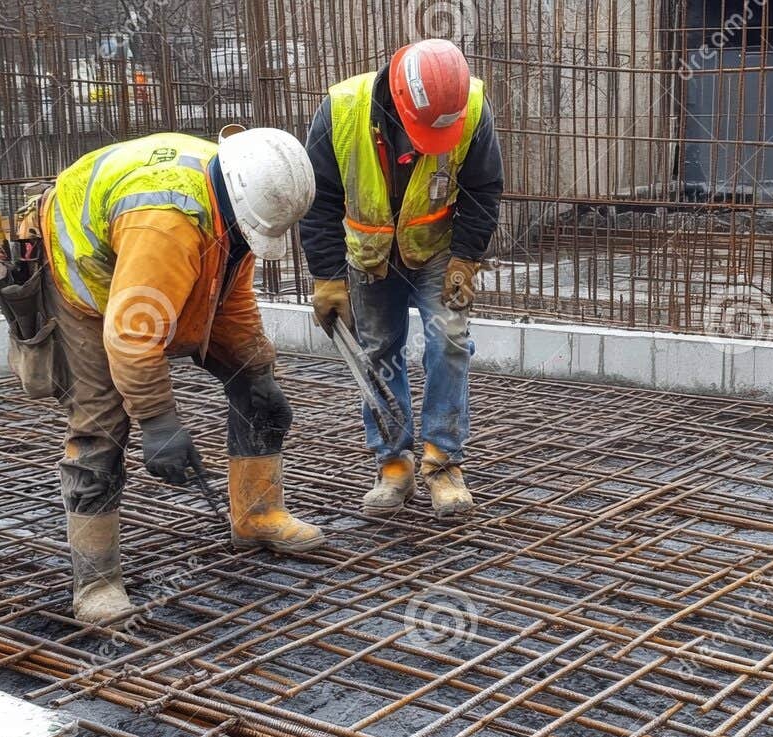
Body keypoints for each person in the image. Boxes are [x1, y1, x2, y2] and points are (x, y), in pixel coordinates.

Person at [37, 125, 325, 623]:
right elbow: (132, 335)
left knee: (257, 388)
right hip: (87, 284)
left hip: (148, 269)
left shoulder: (235, 198)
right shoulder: (165, 223)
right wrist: (157, 421)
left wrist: (255, 369)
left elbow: (230, 295)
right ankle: (96, 582)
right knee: (101, 425)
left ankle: (257, 516)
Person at [300, 38, 503, 518]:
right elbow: (318, 199)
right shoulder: (341, 110)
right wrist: (328, 277)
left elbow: (483, 188)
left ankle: (441, 463)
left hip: (436, 249)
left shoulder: (470, 106)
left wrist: (465, 259)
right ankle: (394, 463)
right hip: (370, 256)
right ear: (399, 99)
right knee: (377, 352)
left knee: (450, 340)